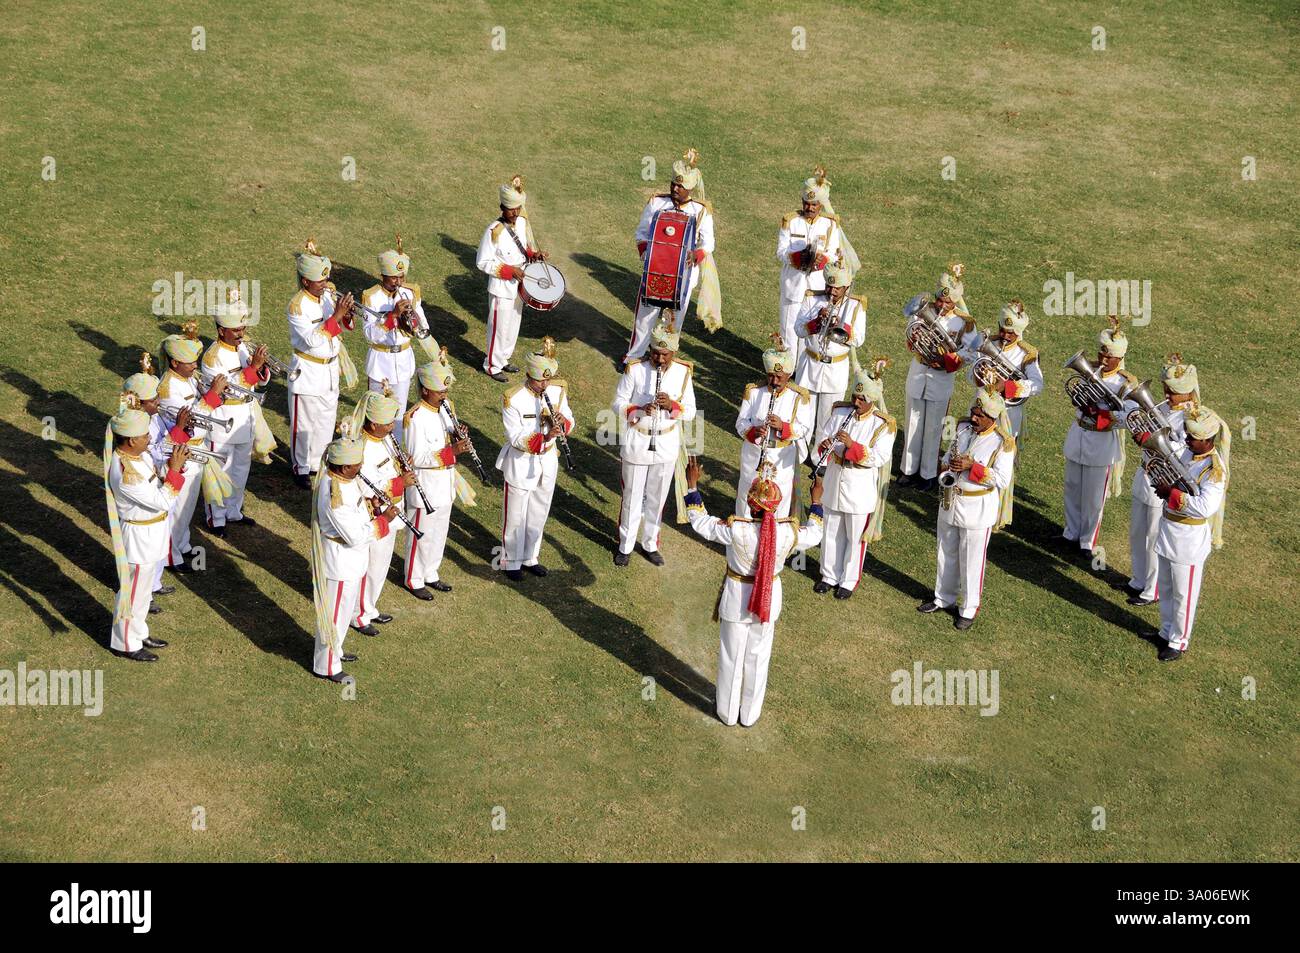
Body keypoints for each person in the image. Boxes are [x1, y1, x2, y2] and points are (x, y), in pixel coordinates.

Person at [684, 457, 824, 727]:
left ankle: (726, 712)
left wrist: (693, 487)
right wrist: (816, 501)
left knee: (731, 657)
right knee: (758, 658)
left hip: (738, 597)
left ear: (750, 504)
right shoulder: (787, 533)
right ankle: (749, 715)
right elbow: (816, 532)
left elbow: (700, 522)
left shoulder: (737, 529)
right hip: (768, 598)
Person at [917, 389, 1016, 630]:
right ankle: (943, 597)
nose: (973, 418)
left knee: (971, 560)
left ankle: (969, 608)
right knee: (945, 552)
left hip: (978, 506)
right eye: (973, 413)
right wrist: (946, 465)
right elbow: (948, 456)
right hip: (951, 501)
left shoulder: (1003, 443)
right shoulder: (962, 429)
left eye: (980, 416)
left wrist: (974, 467)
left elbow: (1002, 479)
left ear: (992, 419)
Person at [309, 435, 399, 684]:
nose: (361, 466)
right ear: (344, 467)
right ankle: (326, 665)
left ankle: (334, 652)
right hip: (340, 561)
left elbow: (357, 511)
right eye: (357, 463)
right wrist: (385, 520)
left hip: (351, 561)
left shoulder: (346, 480)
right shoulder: (334, 494)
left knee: (343, 612)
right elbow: (354, 536)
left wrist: (373, 505)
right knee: (335, 616)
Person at [104, 406, 191, 662]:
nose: (149, 438)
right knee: (133, 594)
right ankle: (125, 643)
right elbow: (163, 500)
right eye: (144, 436)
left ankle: (139, 633)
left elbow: (157, 481)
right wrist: (175, 470)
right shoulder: (126, 474)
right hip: (140, 537)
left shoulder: (137, 457)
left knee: (143, 593)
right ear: (131, 440)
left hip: (152, 531)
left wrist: (173, 466)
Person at [611, 313, 697, 566]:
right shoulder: (635, 370)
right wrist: (638, 410)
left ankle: (650, 543)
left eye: (665, 355)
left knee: (657, 498)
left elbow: (690, 411)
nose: (659, 359)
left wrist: (671, 405)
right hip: (639, 439)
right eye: (655, 353)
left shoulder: (683, 373)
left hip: (666, 443)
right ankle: (625, 546)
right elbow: (618, 403)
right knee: (632, 497)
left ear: (673, 353)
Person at [1150, 407, 1230, 662]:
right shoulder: (1188, 454)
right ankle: (1165, 631)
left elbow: (1206, 507)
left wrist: (1172, 494)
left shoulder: (1214, 470)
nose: (1186, 439)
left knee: (1184, 593)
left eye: (1192, 437)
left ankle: (1179, 640)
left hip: (1189, 538)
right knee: (1166, 585)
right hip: (1170, 529)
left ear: (1207, 440)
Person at [812, 360, 895, 599]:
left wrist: (851, 446)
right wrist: (825, 444)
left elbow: (879, 457)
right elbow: (824, 436)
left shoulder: (883, 425)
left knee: (854, 535)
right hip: (835, 477)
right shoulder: (840, 411)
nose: (856, 403)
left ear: (872, 401)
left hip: (859, 483)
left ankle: (848, 580)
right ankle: (828, 575)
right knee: (831, 529)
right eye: (855, 397)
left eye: (861, 400)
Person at [626, 148, 718, 363]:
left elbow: (708, 243)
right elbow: (641, 232)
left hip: (684, 274)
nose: (675, 188)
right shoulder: (657, 202)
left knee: (673, 319)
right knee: (644, 315)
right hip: (655, 270)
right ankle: (634, 356)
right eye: (673, 184)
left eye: (681, 186)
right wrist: (647, 255)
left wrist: (695, 256)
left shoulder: (701, 211)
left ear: (690, 189)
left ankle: (665, 357)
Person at [495, 337, 575, 580]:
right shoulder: (513, 398)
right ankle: (510, 561)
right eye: (541, 379)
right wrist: (543, 437)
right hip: (521, 462)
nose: (545, 384)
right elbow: (515, 437)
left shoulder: (557, 390)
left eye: (548, 379)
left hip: (548, 460)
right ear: (530, 376)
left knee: (539, 510)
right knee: (516, 514)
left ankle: (530, 556)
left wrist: (561, 422)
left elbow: (571, 421)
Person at [1126, 354, 1200, 606]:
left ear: (1187, 393)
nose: (1167, 394)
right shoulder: (1163, 407)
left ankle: (1152, 589)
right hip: (1146, 472)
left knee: (1154, 535)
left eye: (1172, 391)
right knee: (1138, 532)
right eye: (1166, 389)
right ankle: (1138, 580)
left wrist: (1152, 439)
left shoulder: (1192, 417)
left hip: (1166, 481)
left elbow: (1184, 450)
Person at [199, 287, 272, 536]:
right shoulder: (212, 358)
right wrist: (254, 367)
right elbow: (229, 389)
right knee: (220, 471)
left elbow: (256, 382)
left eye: (242, 329)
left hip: (245, 418)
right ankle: (215, 517)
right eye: (236, 330)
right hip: (222, 420)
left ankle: (233, 511)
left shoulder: (241, 348)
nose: (242, 334)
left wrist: (262, 371)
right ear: (222, 330)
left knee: (240, 469)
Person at [899, 264, 979, 490]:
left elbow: (972, 351)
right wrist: (916, 337)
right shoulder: (924, 309)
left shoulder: (964, 322)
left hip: (941, 376)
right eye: (940, 300)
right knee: (913, 421)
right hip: (918, 371)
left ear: (955, 302)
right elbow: (911, 331)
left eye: (948, 303)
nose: (942, 306)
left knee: (934, 426)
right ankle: (908, 470)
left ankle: (927, 474)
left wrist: (948, 359)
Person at [287, 238, 358, 487]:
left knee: (326, 419)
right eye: (320, 281)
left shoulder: (327, 296)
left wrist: (346, 315)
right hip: (307, 369)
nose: (325, 285)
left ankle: (318, 463)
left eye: (326, 279)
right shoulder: (297, 306)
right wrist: (337, 315)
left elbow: (344, 326)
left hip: (329, 369)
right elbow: (312, 340)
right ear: (306, 281)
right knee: (305, 423)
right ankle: (301, 468)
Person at [1062, 317, 1137, 555]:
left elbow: (1131, 416)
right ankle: (1070, 533)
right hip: (1079, 432)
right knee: (1072, 487)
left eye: (1109, 357)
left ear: (1120, 357)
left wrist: (1101, 413)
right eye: (1102, 354)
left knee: (1094, 496)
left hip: (1101, 441)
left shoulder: (1126, 383)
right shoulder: (1090, 369)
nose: (1104, 360)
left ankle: (1087, 541)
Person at [402, 360, 474, 600]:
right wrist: (452, 451)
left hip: (445, 483)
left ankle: (431, 572)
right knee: (421, 533)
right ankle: (414, 578)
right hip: (425, 485)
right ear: (425, 390)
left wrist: (456, 434)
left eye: (445, 390)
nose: (444, 395)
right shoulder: (415, 417)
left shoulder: (447, 408)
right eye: (439, 390)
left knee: (439, 532)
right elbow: (416, 457)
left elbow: (446, 436)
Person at [349, 389, 413, 637]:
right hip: (374, 513)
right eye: (387, 423)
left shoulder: (385, 439)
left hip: (392, 508)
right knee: (370, 564)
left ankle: (369, 606)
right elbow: (366, 486)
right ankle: (358, 613)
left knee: (382, 563)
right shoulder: (362, 447)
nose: (391, 426)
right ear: (374, 423)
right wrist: (400, 483)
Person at [361, 235, 432, 439]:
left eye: (402, 277)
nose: (398, 282)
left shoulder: (410, 293)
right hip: (379, 362)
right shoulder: (371, 296)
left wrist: (413, 318)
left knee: (398, 413)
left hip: (403, 360)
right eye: (394, 278)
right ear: (383, 275)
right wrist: (392, 316)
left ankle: (396, 453)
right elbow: (370, 335)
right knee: (376, 413)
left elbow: (424, 327)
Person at [734, 336, 812, 518]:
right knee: (747, 497)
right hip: (754, 453)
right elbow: (741, 422)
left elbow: (804, 428)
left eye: (779, 377)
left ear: (789, 375)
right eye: (771, 376)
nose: (775, 381)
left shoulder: (798, 397)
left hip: (781, 456)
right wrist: (754, 431)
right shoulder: (754, 392)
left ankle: (774, 543)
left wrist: (783, 427)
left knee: (779, 501)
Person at [477, 176, 545, 382]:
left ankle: (504, 358)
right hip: (501, 286)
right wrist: (509, 271)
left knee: (513, 324)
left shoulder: (523, 222)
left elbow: (525, 247)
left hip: (520, 284)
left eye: (517, 208)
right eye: (510, 209)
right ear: (501, 207)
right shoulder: (493, 231)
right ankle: (491, 365)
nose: (515, 213)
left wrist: (534, 255)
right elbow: (483, 261)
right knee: (498, 326)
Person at [793, 255, 867, 441]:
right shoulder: (811, 299)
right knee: (803, 413)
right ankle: (798, 454)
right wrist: (816, 322)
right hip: (810, 364)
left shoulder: (855, 306)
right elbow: (798, 329)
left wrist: (840, 327)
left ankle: (821, 458)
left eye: (837, 288)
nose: (831, 291)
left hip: (836, 368)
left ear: (846, 287)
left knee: (828, 417)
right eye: (829, 286)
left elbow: (858, 339)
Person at [155, 327, 209, 571]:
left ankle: (182, 543)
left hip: (194, 450)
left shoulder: (186, 378)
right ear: (175, 362)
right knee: (176, 508)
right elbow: (190, 424)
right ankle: (170, 555)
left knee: (188, 504)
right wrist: (211, 399)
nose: (195, 366)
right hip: (181, 452)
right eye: (190, 363)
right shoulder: (167, 389)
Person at [776, 167, 842, 367]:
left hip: (817, 289)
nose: (810, 207)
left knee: (810, 333)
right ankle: (789, 370)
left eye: (814, 204)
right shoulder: (791, 221)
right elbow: (780, 252)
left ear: (820, 205)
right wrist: (798, 257)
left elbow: (835, 254)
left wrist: (819, 260)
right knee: (789, 332)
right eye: (807, 203)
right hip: (793, 286)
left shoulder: (830, 225)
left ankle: (803, 371)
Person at [969, 300, 1044, 438]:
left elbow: (1037, 385)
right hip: (981, 409)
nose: (1005, 336)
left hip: (1008, 413)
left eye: (1010, 333)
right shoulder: (988, 343)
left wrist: (1007, 386)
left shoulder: (1027, 353)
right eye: (1002, 331)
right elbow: (971, 375)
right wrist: (980, 375)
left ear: (1019, 332)